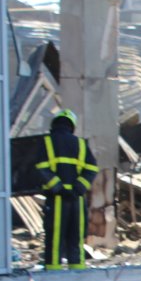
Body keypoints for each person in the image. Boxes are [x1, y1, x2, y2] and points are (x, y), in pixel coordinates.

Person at [36, 109, 98, 271]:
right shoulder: (81, 144)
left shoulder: (47, 142)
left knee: (55, 236)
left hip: (57, 199)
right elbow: (91, 169)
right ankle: (77, 272)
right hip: (77, 199)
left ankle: (53, 271)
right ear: (72, 126)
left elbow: (42, 168)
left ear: (55, 124)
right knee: (76, 237)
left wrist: (59, 188)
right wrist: (78, 188)